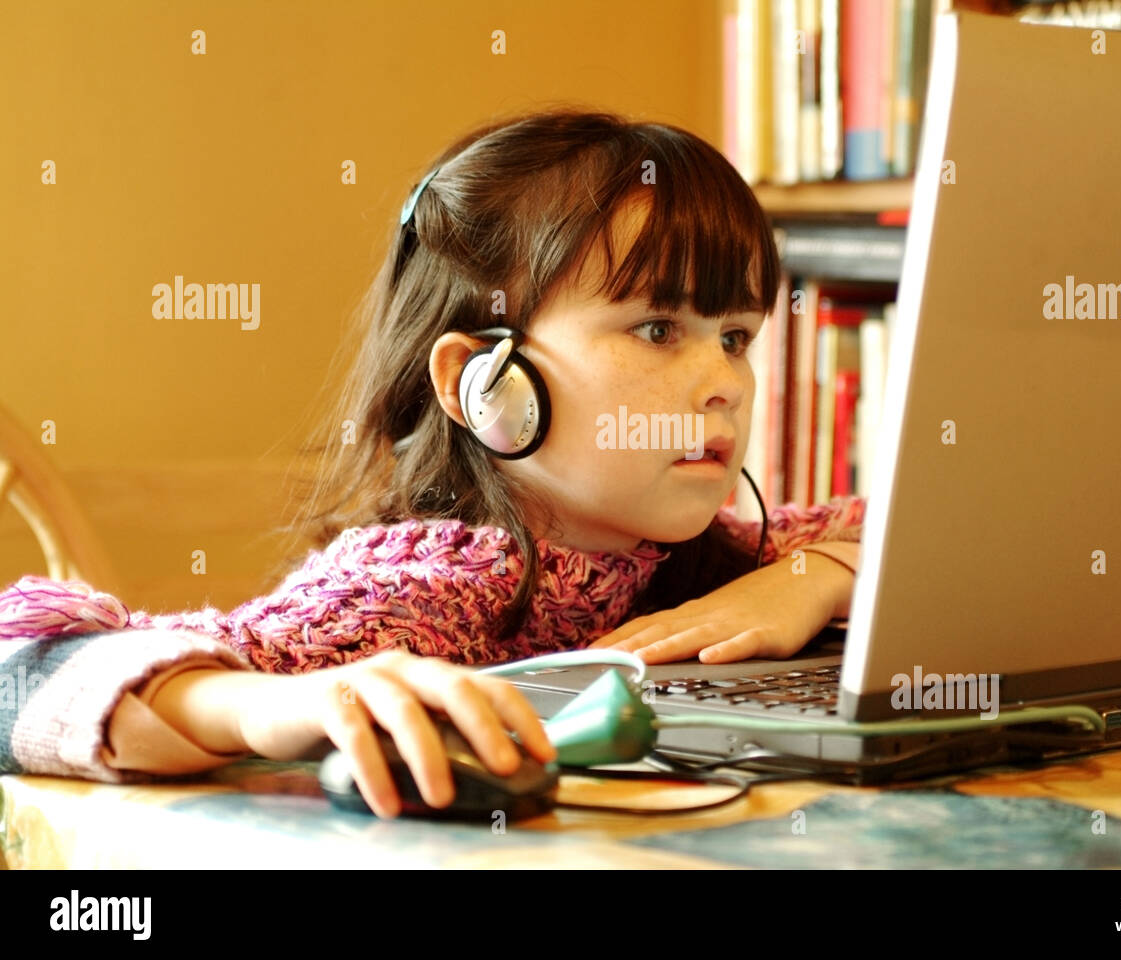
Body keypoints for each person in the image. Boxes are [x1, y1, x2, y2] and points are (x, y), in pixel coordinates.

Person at [0, 108, 866, 820]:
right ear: (485, 383)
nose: (724, 383)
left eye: (737, 337)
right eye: (656, 328)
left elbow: (959, 543)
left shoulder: (734, 555)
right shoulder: (428, 588)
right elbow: (22, 677)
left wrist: (817, 574)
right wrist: (272, 706)